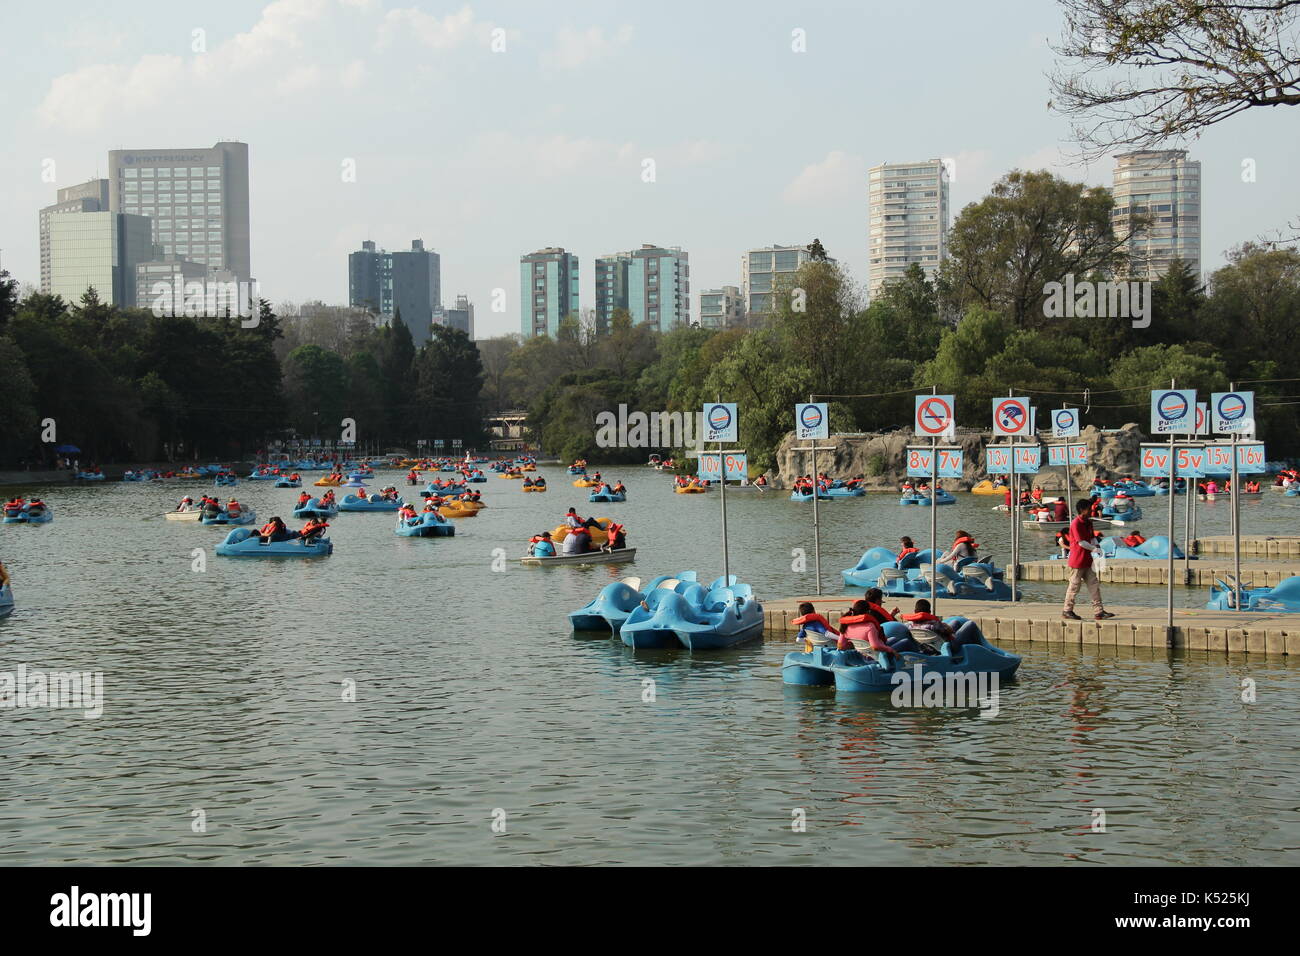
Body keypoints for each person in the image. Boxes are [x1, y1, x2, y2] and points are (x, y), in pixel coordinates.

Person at [1063, 498, 1114, 621]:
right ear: (1082, 510)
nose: (1092, 511)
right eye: (1089, 509)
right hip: (1077, 560)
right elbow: (1081, 542)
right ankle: (1067, 610)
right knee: (1074, 586)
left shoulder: (1089, 522)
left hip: (1087, 560)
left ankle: (1099, 611)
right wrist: (1094, 549)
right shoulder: (1075, 523)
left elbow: (1092, 538)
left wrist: (1098, 546)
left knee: (1094, 585)